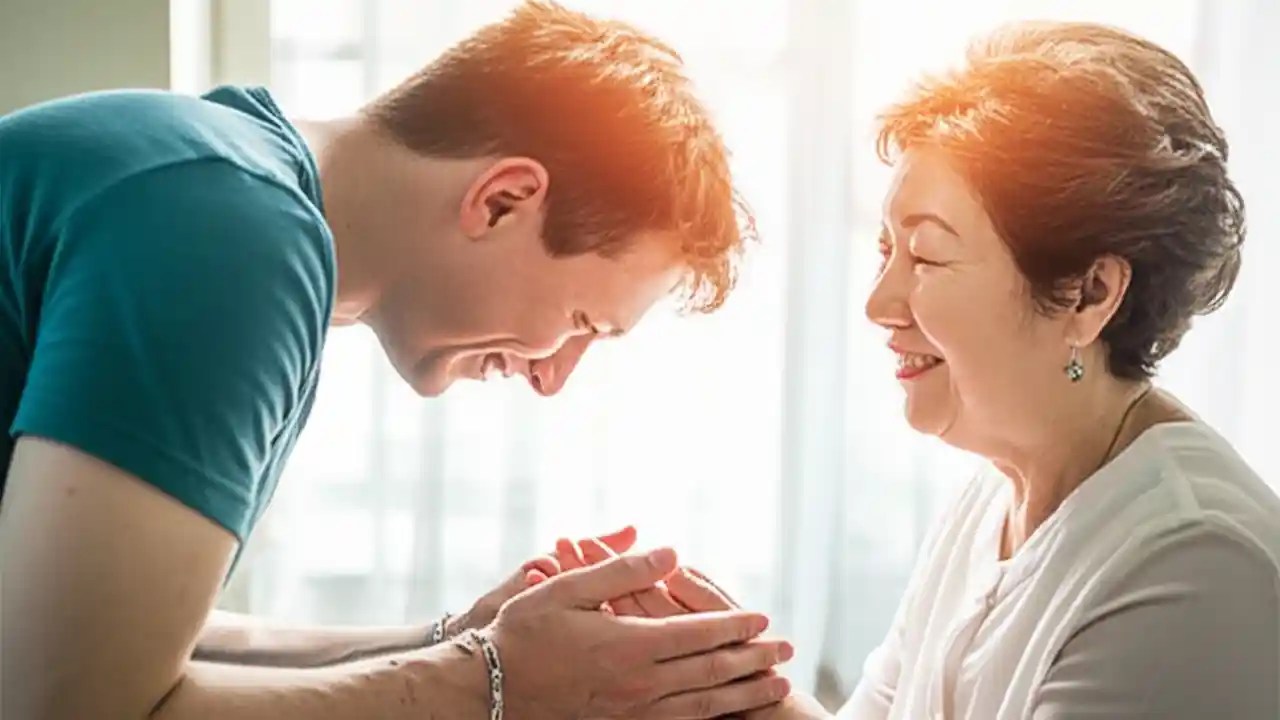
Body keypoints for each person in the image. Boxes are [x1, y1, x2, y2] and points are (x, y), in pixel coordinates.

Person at [0, 2, 796, 718]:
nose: (553, 377)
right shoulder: (235, 239)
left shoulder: (227, 190)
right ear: (503, 200)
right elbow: (65, 703)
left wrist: (455, 638)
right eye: (581, 321)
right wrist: (497, 683)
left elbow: (117, 638)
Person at [551, 20, 1280, 720]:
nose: (878, 303)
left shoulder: (1194, 568)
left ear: (1090, 294)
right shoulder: (991, 500)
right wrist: (735, 687)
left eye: (926, 255)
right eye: (884, 250)